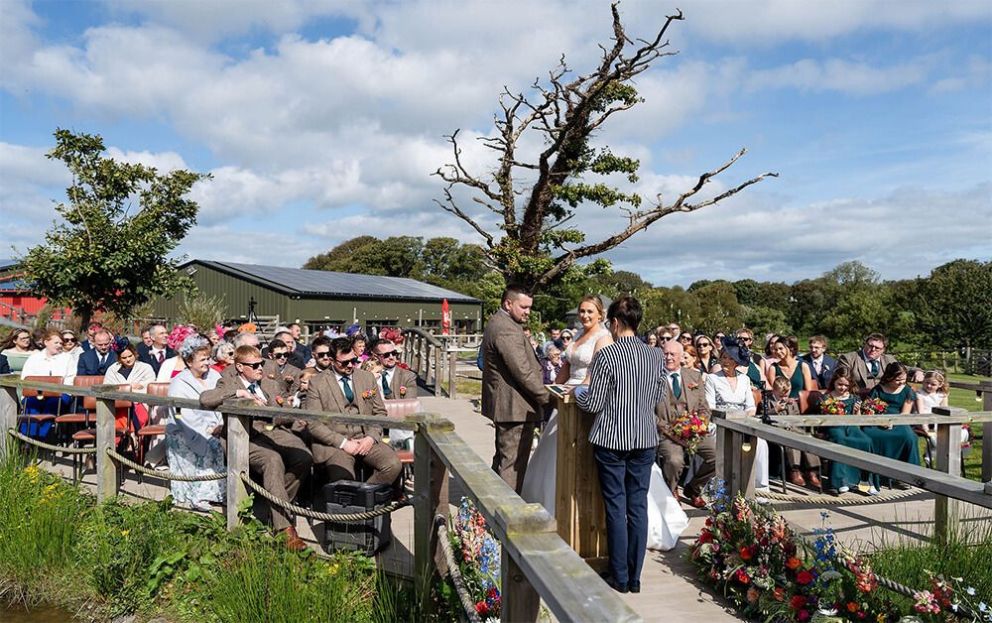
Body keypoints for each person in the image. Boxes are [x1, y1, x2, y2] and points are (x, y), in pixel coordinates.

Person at [573, 296, 685, 593]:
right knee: (637, 506)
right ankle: (634, 578)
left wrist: (578, 395)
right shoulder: (655, 356)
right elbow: (659, 395)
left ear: (614, 322)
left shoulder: (607, 355)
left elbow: (593, 402)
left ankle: (619, 576)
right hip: (645, 437)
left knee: (615, 506)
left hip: (611, 437)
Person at [200, 344, 312, 550]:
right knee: (272, 460)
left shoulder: (267, 383)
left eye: (261, 363)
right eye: (255, 365)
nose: (261, 368)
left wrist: (281, 410)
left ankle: (274, 506)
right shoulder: (228, 380)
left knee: (303, 456)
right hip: (242, 436)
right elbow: (205, 399)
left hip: (270, 431)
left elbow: (283, 410)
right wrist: (241, 393)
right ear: (240, 367)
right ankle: (285, 530)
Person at [524, 295, 613, 512]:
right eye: (582, 311)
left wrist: (574, 390)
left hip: (586, 395)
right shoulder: (577, 335)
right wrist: (554, 386)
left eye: (590, 311)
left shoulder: (604, 338)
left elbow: (596, 372)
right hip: (565, 396)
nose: (585, 315)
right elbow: (567, 365)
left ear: (600, 314)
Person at [304, 336, 402, 489]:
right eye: (344, 363)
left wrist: (370, 438)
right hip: (335, 443)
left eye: (354, 360)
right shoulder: (317, 383)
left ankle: (363, 500)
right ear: (331, 360)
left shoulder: (366, 378)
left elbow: (380, 412)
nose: (350, 365)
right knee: (344, 478)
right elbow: (314, 424)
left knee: (393, 464)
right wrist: (343, 443)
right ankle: (352, 503)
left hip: (365, 437)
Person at [481, 285, 550, 493]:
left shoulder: (500, 322)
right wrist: (548, 398)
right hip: (515, 408)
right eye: (524, 307)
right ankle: (507, 516)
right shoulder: (506, 328)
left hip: (510, 406)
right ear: (508, 303)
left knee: (504, 459)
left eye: (530, 307)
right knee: (512, 466)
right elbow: (523, 372)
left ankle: (489, 511)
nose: (527, 312)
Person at [165, 334, 226, 512]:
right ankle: (199, 496)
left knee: (221, 443)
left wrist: (220, 425)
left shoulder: (214, 376)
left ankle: (219, 494)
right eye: (202, 359)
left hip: (215, 426)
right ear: (189, 361)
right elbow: (179, 414)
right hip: (184, 429)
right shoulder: (178, 383)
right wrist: (206, 430)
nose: (207, 363)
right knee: (206, 444)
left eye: (208, 358)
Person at [655, 338, 716, 508]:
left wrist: (699, 424)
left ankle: (693, 488)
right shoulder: (653, 378)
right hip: (666, 433)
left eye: (672, 354)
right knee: (675, 460)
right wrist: (668, 430)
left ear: (681, 356)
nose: (668, 357)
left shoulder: (694, 376)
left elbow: (704, 408)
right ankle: (671, 490)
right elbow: (648, 412)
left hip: (694, 432)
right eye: (665, 353)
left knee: (717, 457)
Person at [703, 336, 769, 493]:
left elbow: (750, 406)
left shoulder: (745, 379)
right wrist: (727, 419)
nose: (725, 361)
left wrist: (746, 418)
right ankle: (718, 486)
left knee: (761, 444)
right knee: (718, 441)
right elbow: (710, 406)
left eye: (730, 358)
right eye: (723, 358)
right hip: (719, 421)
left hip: (742, 421)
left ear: (736, 362)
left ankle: (760, 487)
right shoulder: (712, 379)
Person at [820, 366, 880, 495]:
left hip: (850, 426)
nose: (842, 388)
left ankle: (866, 481)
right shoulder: (827, 398)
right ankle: (840, 481)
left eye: (846, 385)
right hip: (834, 426)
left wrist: (857, 411)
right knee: (840, 440)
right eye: (839, 384)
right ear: (834, 382)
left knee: (866, 441)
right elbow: (824, 419)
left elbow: (857, 420)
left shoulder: (853, 398)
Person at [863, 362, 920, 487]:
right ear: (889, 377)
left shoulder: (907, 391)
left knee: (909, 437)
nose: (901, 382)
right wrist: (880, 421)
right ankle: (874, 475)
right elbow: (868, 409)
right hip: (877, 420)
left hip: (899, 421)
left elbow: (905, 413)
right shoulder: (877, 390)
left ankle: (906, 476)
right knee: (868, 435)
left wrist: (892, 422)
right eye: (898, 379)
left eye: (904, 380)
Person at [837, 333, 902, 392]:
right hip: (857, 398)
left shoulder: (889, 359)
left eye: (877, 348)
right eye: (870, 346)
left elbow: (903, 369)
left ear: (883, 350)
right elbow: (840, 381)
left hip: (884, 398)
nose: (873, 349)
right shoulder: (848, 359)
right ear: (865, 344)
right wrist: (859, 391)